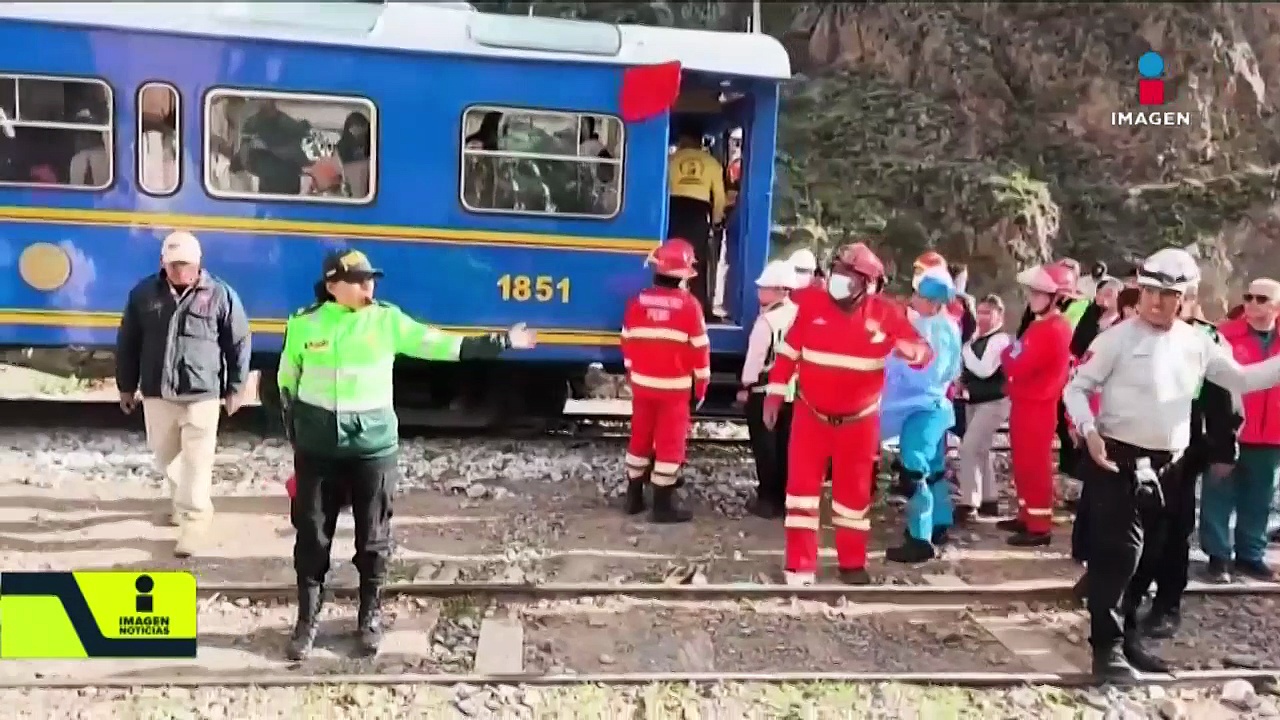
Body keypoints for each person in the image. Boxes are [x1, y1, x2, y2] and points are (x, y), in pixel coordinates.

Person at [278, 249, 537, 660]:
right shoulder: (304, 323)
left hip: (373, 449)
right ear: (332, 285)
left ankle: (369, 619)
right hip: (318, 451)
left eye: (371, 279)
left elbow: (439, 345)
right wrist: (299, 438)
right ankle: (306, 624)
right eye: (358, 279)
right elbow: (287, 384)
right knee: (311, 539)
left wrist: (501, 342)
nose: (368, 286)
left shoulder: (387, 320)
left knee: (374, 540)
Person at [1064, 247, 1280, 680]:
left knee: (1152, 557)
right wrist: (1088, 430)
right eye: (1149, 292)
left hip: (1170, 466)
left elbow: (1242, 379)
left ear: (1185, 297)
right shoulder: (1116, 339)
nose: (1157, 302)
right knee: (1119, 556)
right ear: (1139, 292)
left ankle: (1127, 640)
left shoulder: (1197, 342)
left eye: (1168, 294)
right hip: (1117, 460)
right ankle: (1105, 650)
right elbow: (1075, 388)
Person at [761, 242, 930, 585]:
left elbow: (923, 353)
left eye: (849, 277)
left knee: (853, 498)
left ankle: (852, 563)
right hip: (810, 417)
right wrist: (774, 396)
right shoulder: (811, 304)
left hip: (859, 423)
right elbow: (788, 352)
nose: (839, 281)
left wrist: (907, 349)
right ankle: (799, 565)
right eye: (837, 272)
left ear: (869, 285)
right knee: (800, 495)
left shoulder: (886, 313)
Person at [115, 231, 251, 559]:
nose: (179, 271)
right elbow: (128, 342)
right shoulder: (144, 294)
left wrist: (236, 388)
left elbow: (239, 342)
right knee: (165, 456)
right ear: (163, 262)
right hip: (157, 391)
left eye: (185, 265)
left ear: (198, 263)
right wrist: (125, 385)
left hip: (202, 392)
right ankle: (184, 502)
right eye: (173, 264)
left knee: (198, 459)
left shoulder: (220, 294)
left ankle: (194, 519)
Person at [1131, 281, 1239, 638]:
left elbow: (1225, 400)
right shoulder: (1139, 333)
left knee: (1173, 530)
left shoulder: (1206, 342)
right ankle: (1128, 596)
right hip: (1138, 443)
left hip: (1184, 449)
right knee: (1136, 524)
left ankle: (1167, 605)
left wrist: (1224, 449)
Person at [620, 238, 711, 524]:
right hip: (674, 389)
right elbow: (700, 351)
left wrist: (633, 374)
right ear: (684, 274)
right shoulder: (690, 307)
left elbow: (627, 343)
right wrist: (702, 386)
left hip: (642, 385)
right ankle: (662, 505)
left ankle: (633, 496)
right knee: (670, 444)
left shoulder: (636, 302)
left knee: (640, 437)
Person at [1201, 278, 1280, 583]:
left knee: (1259, 499)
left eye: (1261, 299)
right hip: (1231, 431)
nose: (1251, 303)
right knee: (1219, 493)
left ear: (1275, 306)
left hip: (1271, 434)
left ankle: (1251, 555)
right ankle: (1218, 556)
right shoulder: (1224, 336)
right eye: (1248, 297)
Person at [881, 268, 963, 562]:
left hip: (920, 407)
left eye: (919, 295)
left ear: (934, 302)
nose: (914, 299)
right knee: (935, 468)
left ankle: (919, 538)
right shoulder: (949, 326)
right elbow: (951, 372)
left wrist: (892, 363)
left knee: (915, 471)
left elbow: (919, 373)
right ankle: (940, 522)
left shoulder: (929, 331)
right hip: (936, 406)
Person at [999, 260, 1077, 547]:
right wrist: (1011, 355)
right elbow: (1015, 357)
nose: (1032, 298)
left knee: (1035, 465)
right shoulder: (1043, 325)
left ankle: (1039, 525)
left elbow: (1016, 363)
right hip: (1027, 402)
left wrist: (1009, 355)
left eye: (1039, 293)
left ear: (1056, 297)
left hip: (1037, 404)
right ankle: (1027, 514)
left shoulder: (1051, 329)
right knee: (1023, 462)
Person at [738, 260, 800, 519]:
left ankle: (767, 500)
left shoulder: (767, 322)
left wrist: (746, 386)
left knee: (766, 449)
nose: (758, 292)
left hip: (765, 392)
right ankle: (786, 499)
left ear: (779, 290)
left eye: (763, 287)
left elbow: (755, 361)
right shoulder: (800, 315)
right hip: (794, 392)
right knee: (787, 448)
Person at [955, 294, 1012, 521]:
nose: (982, 317)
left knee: (968, 448)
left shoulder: (1000, 340)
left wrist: (965, 349)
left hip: (994, 401)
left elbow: (984, 369)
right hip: (976, 400)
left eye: (988, 312)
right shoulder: (978, 339)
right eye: (980, 312)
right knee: (981, 450)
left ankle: (969, 501)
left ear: (1000, 314)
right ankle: (989, 499)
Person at [667, 121, 725, 316]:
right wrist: (716, 222)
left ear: (683, 140)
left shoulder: (670, 159)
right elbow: (719, 198)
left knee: (671, 258)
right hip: (698, 214)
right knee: (697, 263)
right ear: (700, 142)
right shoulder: (711, 163)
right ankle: (701, 311)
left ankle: (669, 302)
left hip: (673, 210)